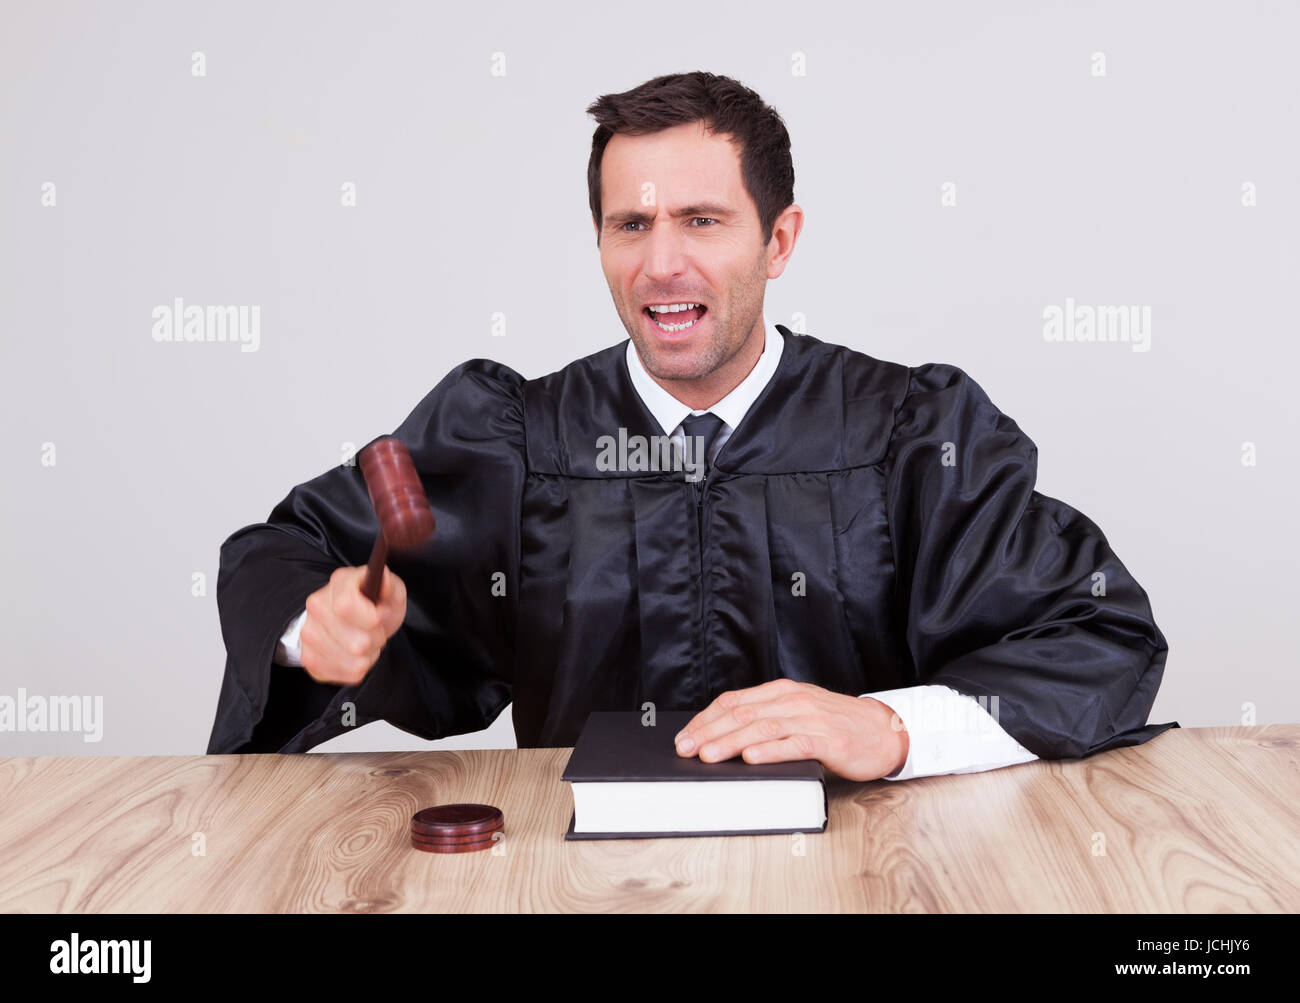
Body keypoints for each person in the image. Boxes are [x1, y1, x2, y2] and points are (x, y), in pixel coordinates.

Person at [207, 71, 1175, 781]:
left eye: (703, 221)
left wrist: (889, 727)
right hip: (579, 877)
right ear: (599, 243)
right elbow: (281, 551)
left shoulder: (910, 431)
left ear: (778, 239)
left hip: (873, 876)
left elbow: (1093, 632)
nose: (661, 263)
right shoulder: (515, 435)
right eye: (631, 225)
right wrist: (309, 625)